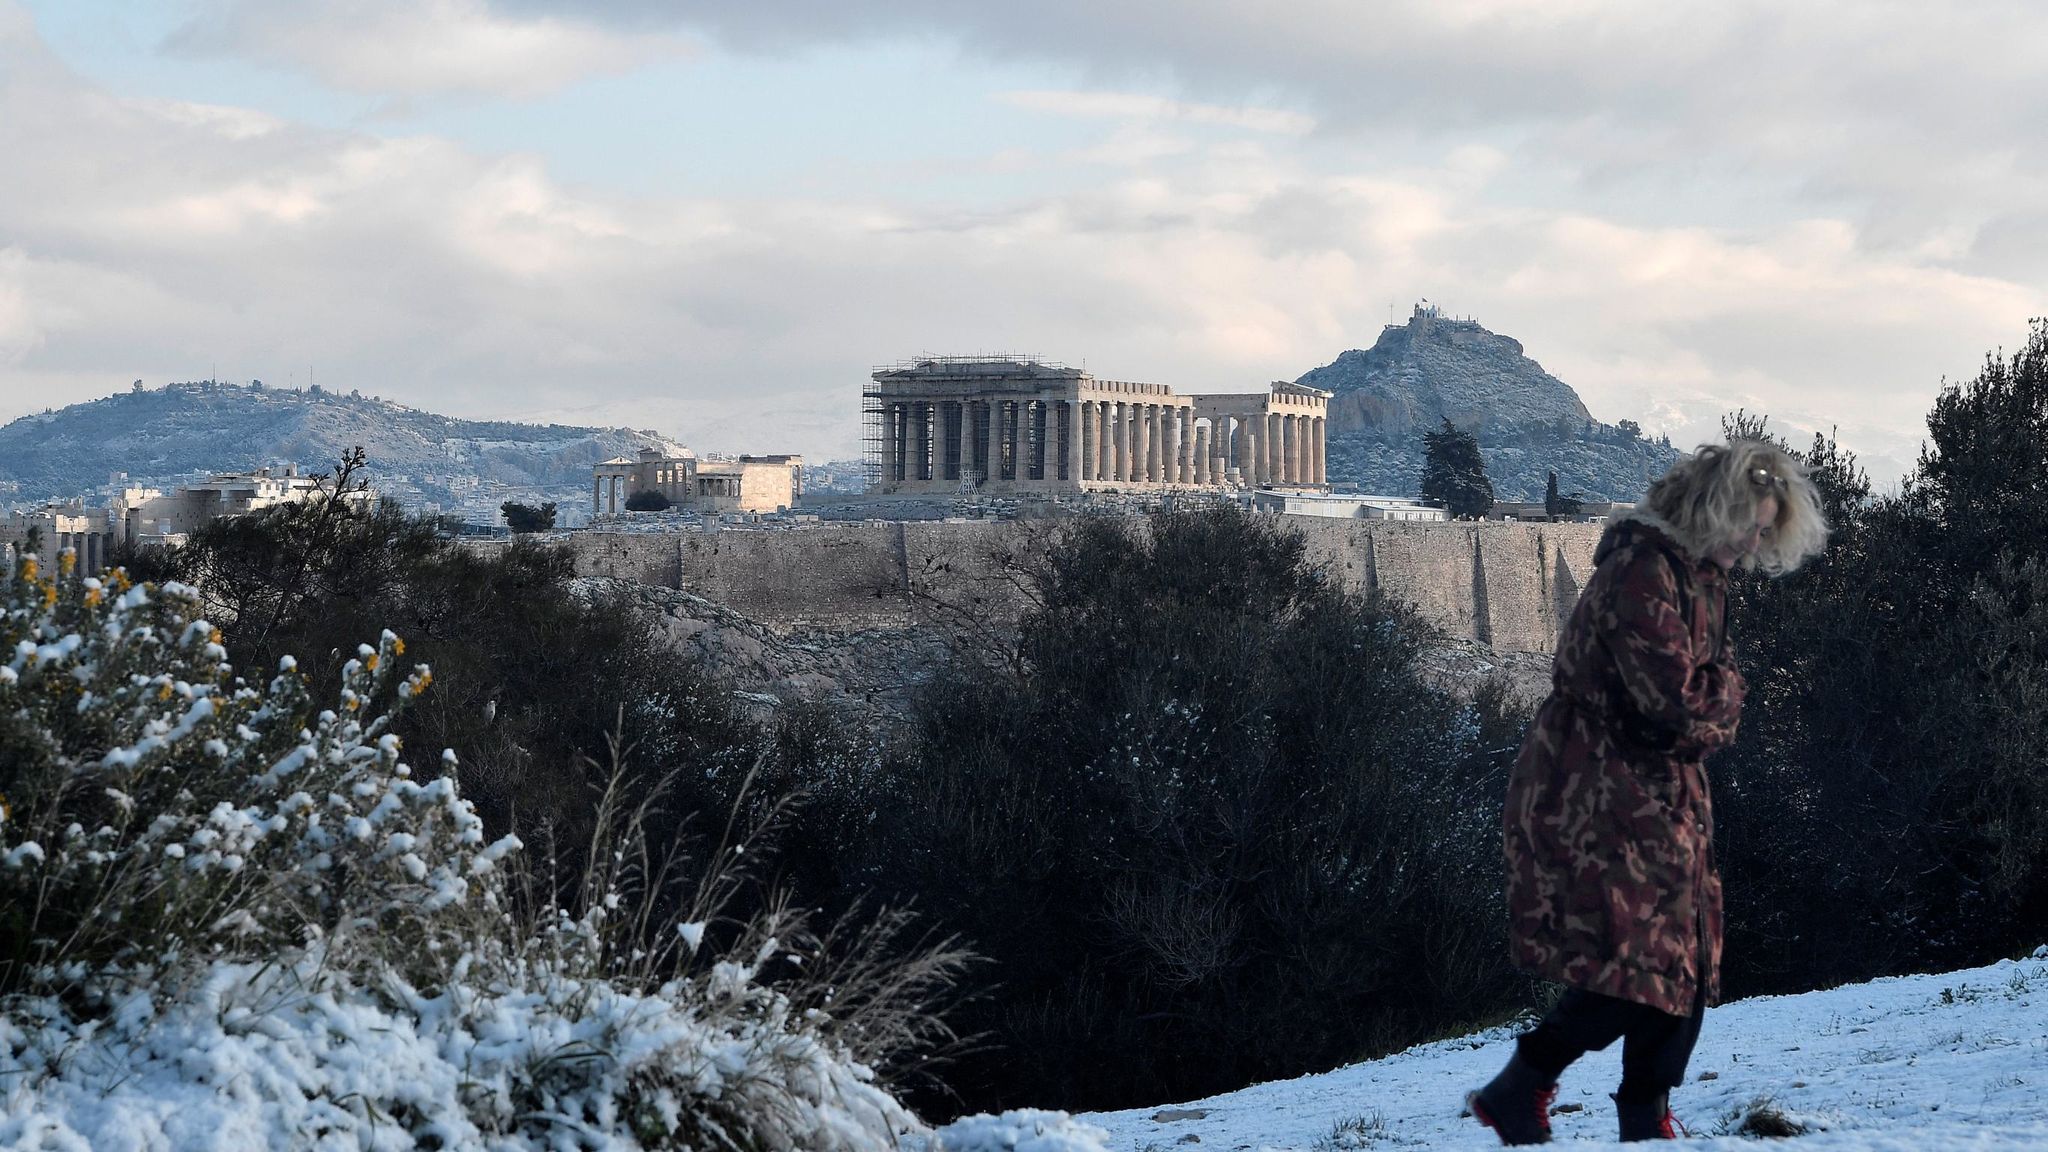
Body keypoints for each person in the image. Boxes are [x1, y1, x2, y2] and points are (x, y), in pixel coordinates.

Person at [1467, 439, 1829, 1145]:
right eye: (1748, 526)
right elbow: (1679, 704)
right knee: (1636, 963)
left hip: (1656, 789)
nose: (1753, 544)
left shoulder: (1698, 577)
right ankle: (1529, 1085)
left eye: (1764, 532)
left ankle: (1635, 1111)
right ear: (1710, 509)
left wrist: (1713, 698)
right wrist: (1726, 694)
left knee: (1679, 960)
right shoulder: (1643, 571)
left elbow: (1694, 699)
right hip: (1595, 791)